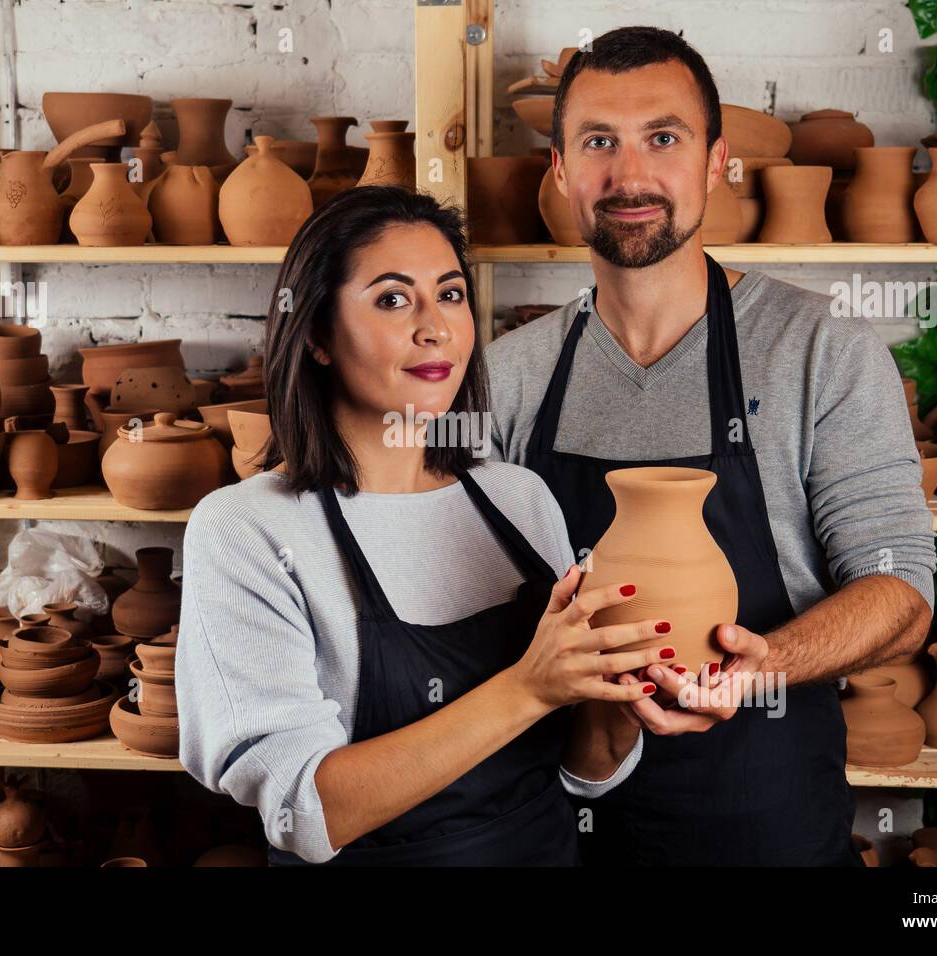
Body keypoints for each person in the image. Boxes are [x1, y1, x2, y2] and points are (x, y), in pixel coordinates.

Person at [485, 26, 937, 865]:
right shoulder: (507, 378)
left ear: (716, 161)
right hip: (557, 828)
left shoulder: (820, 348)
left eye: (663, 138)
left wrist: (766, 664)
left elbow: (902, 596)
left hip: (767, 829)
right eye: (597, 143)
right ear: (560, 169)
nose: (630, 176)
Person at [177, 186, 673, 865]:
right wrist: (527, 688)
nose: (434, 326)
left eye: (450, 294)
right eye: (391, 299)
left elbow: (582, 775)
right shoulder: (247, 530)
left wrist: (621, 699)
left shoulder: (518, 499)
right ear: (317, 334)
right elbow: (307, 813)